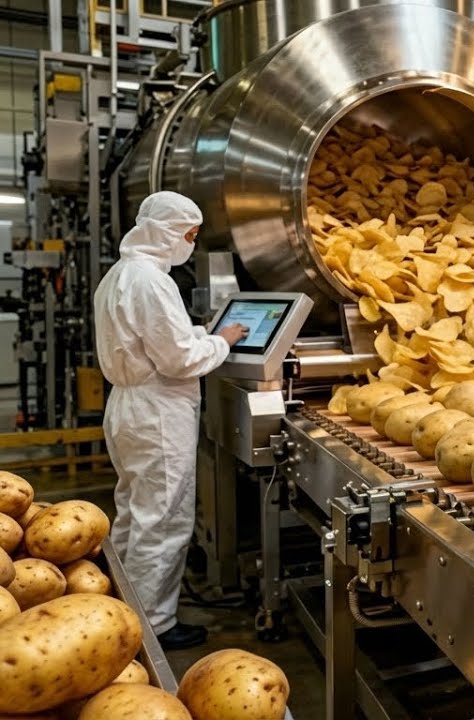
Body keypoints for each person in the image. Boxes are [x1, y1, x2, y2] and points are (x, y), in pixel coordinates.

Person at [94, 191, 248, 650]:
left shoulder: (121, 275)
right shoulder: (153, 282)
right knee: (162, 520)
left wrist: (202, 332)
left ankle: (124, 607)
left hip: (129, 406)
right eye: (189, 234)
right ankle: (153, 627)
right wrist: (222, 341)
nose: (190, 243)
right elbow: (179, 360)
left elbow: (152, 339)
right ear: (165, 232)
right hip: (158, 413)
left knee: (135, 511)